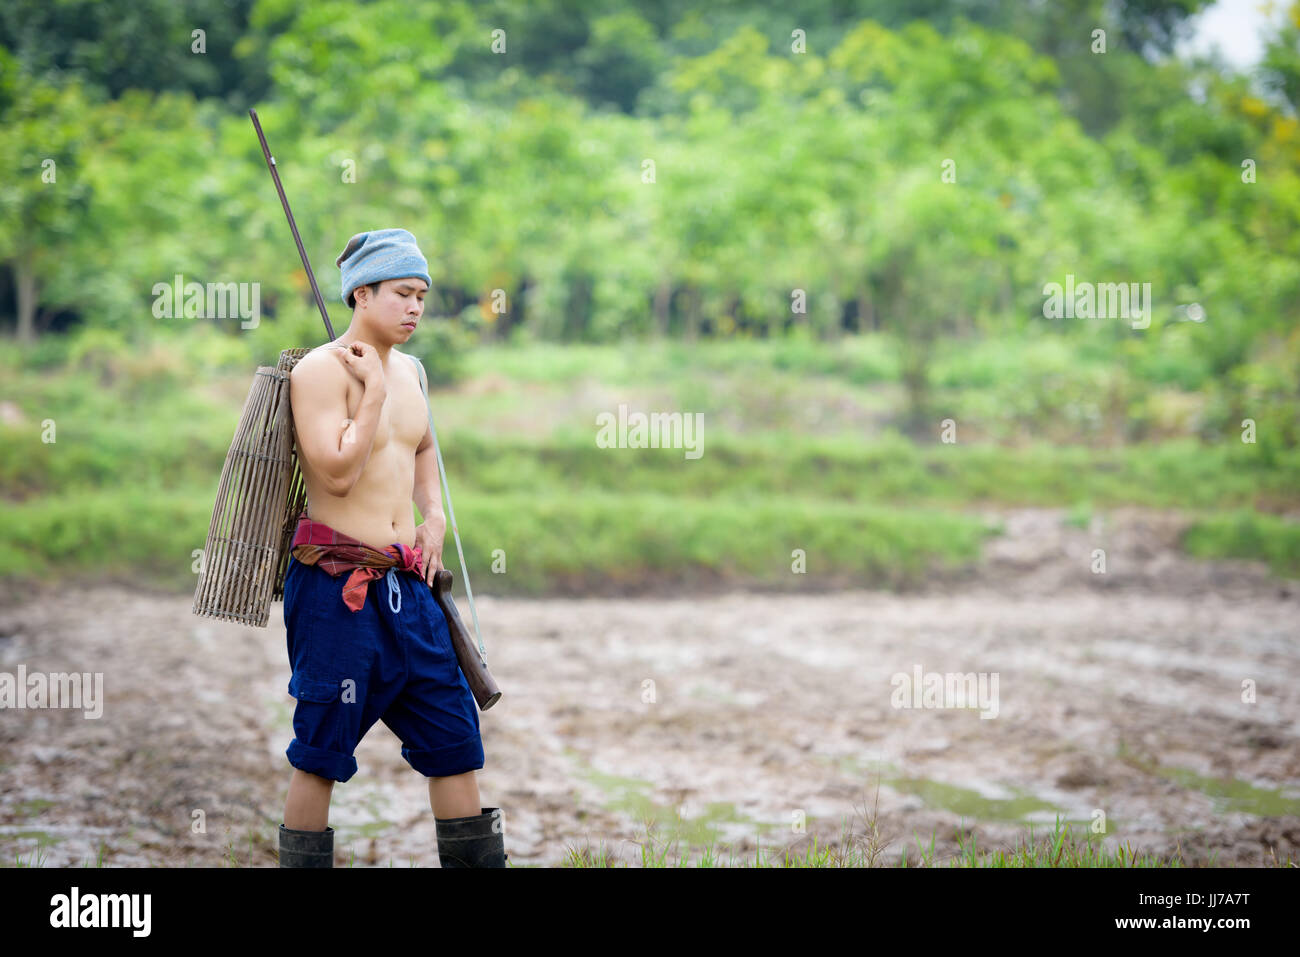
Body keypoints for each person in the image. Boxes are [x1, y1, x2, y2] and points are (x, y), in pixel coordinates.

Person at [276, 227, 505, 867]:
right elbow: (337, 473)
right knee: (320, 752)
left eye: (422, 297)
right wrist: (370, 389)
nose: (414, 308)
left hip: (412, 591)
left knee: (455, 741)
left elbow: (422, 446)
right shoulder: (320, 372)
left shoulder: (414, 373)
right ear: (361, 293)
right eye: (402, 293)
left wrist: (431, 516)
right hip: (337, 595)